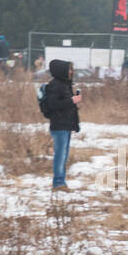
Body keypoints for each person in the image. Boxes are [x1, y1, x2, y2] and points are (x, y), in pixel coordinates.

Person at [43, 60, 81, 192]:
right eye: (69, 69)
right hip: (59, 126)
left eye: (72, 69)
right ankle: (58, 184)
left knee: (63, 155)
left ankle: (61, 182)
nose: (71, 72)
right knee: (60, 156)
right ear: (62, 70)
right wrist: (71, 100)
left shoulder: (66, 84)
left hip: (66, 125)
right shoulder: (55, 85)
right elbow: (53, 104)